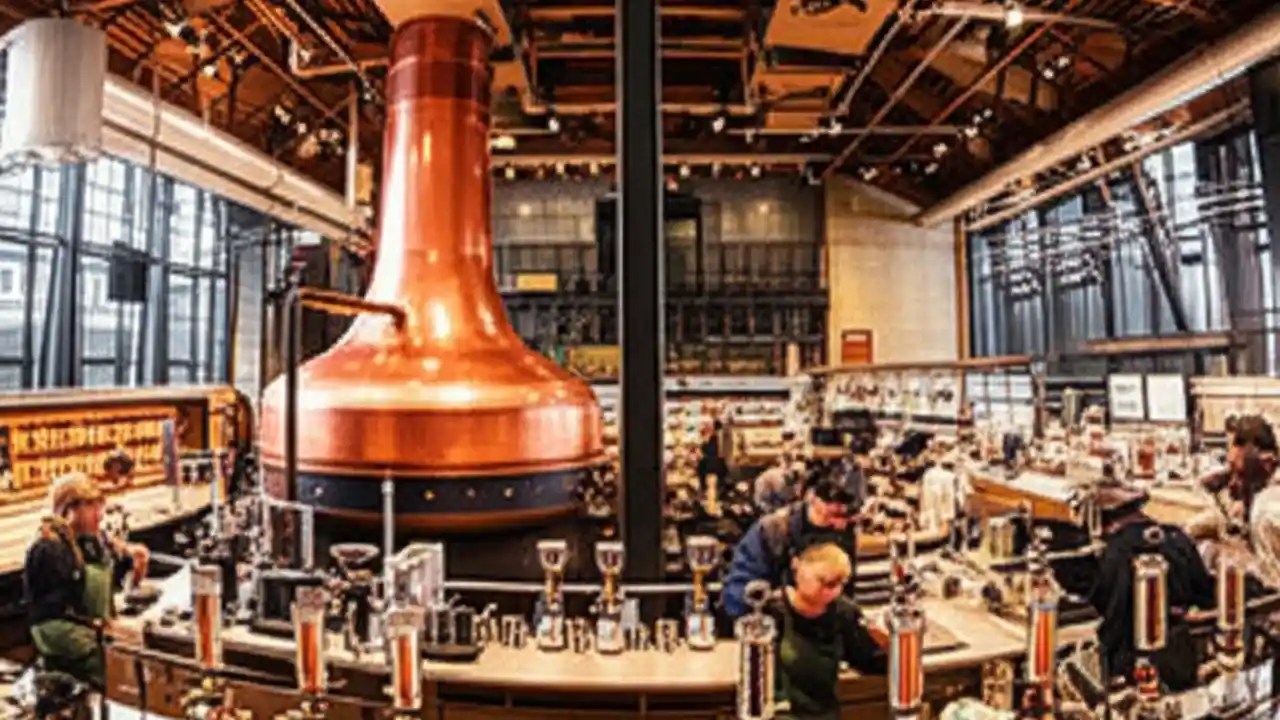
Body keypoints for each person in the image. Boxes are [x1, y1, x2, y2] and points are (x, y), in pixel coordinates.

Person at [23, 474, 150, 689]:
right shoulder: (49, 548)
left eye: (99, 505)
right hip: (69, 647)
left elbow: (113, 554)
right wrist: (96, 634)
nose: (99, 515)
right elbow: (47, 619)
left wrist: (131, 554)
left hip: (94, 635)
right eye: (91, 506)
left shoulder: (86, 539)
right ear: (69, 510)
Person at [1087, 481, 1213, 692]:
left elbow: (1105, 617)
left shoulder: (1115, 553)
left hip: (1131, 671)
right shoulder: (1177, 538)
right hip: (1183, 662)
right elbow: (1206, 593)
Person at [722, 463, 867, 619]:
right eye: (834, 514)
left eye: (849, 517)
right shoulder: (773, 531)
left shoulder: (847, 534)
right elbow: (735, 598)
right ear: (812, 497)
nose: (841, 524)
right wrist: (780, 600)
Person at [766, 542, 886, 720]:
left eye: (839, 584)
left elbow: (868, 659)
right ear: (798, 568)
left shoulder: (844, 612)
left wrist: (889, 643)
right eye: (825, 582)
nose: (832, 591)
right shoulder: (772, 610)